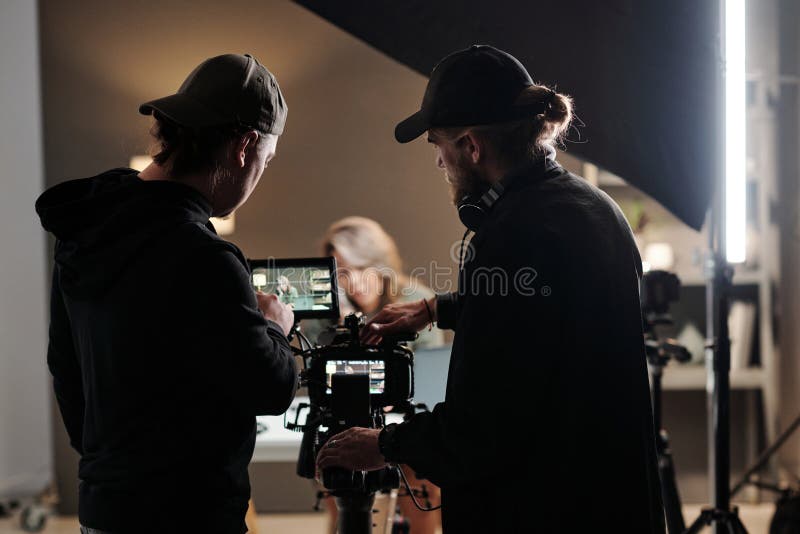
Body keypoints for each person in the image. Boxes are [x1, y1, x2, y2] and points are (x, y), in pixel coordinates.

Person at [316, 45, 665, 533]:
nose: (439, 162)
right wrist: (437, 308)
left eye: (438, 144)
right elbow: (551, 307)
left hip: (542, 507)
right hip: (606, 498)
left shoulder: (510, 235)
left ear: (471, 146)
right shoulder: (592, 207)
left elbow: (482, 425)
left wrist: (383, 444)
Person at [36, 54, 297, 534]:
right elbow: (272, 388)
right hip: (189, 514)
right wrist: (276, 326)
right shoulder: (205, 258)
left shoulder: (85, 228)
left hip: (104, 508)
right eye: (267, 160)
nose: (260, 176)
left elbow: (65, 367)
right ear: (244, 147)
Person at [315, 216, 443, 534]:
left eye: (361, 268)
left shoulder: (416, 304)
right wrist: (341, 332)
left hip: (408, 425)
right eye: (342, 272)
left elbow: (423, 381)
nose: (353, 281)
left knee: (421, 505)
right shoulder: (327, 314)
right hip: (347, 422)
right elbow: (319, 373)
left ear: (381, 264)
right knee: (339, 496)